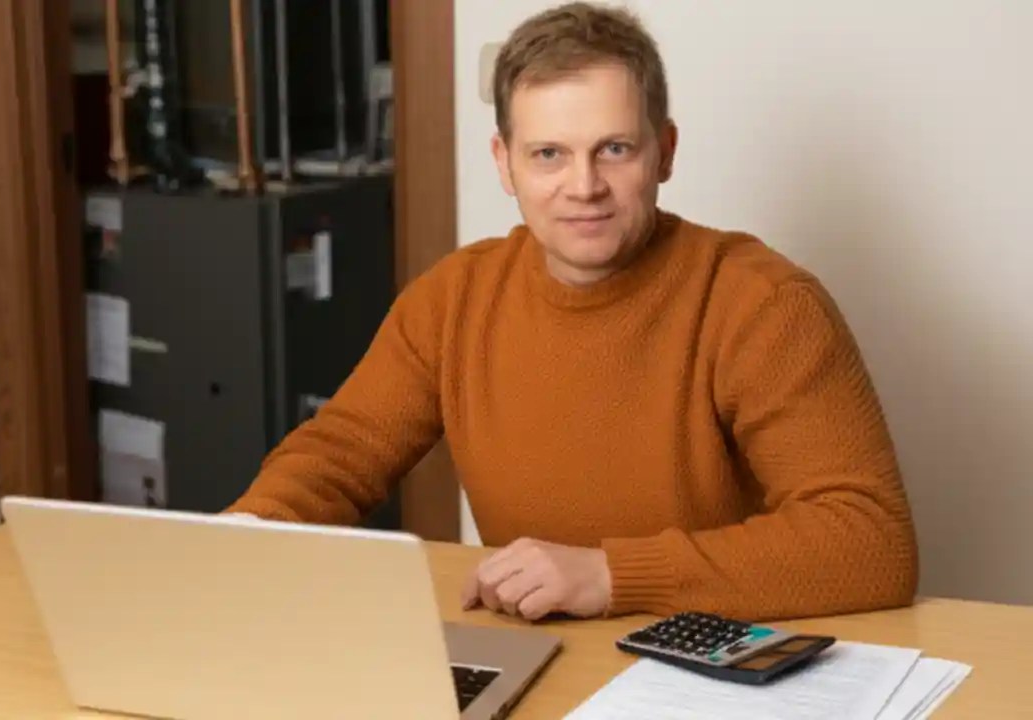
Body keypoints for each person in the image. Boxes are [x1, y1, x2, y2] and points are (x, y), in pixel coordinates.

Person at [225, 1, 918, 622]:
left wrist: (612, 575)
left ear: (664, 153)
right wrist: (243, 536)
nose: (583, 187)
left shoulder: (760, 304)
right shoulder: (454, 299)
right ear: (505, 164)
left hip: (714, 670)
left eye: (614, 149)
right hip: (541, 657)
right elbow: (338, 454)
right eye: (548, 154)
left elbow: (869, 540)